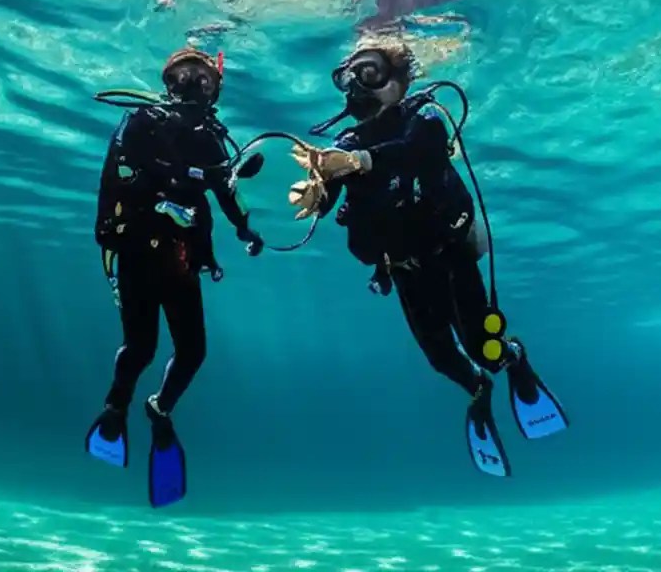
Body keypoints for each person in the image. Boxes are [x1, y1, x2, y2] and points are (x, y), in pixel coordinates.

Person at [286, 40, 569, 477]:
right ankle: (478, 391)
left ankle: (511, 359)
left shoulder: (427, 118)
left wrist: (359, 161)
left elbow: (416, 152)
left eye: (371, 74)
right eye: (349, 75)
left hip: (450, 257)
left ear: (400, 82)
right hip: (403, 269)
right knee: (441, 358)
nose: (357, 85)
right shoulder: (345, 142)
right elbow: (333, 195)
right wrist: (317, 192)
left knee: (483, 347)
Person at [85, 47, 264, 507]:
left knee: (193, 351)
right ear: (167, 82)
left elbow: (226, 190)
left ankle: (159, 407)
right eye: (182, 77)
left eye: (201, 80)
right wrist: (188, 182)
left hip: (181, 260)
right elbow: (131, 172)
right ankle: (116, 405)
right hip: (135, 252)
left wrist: (246, 228)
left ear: (215, 90)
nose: (190, 86)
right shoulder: (141, 121)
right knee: (141, 346)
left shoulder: (210, 140)